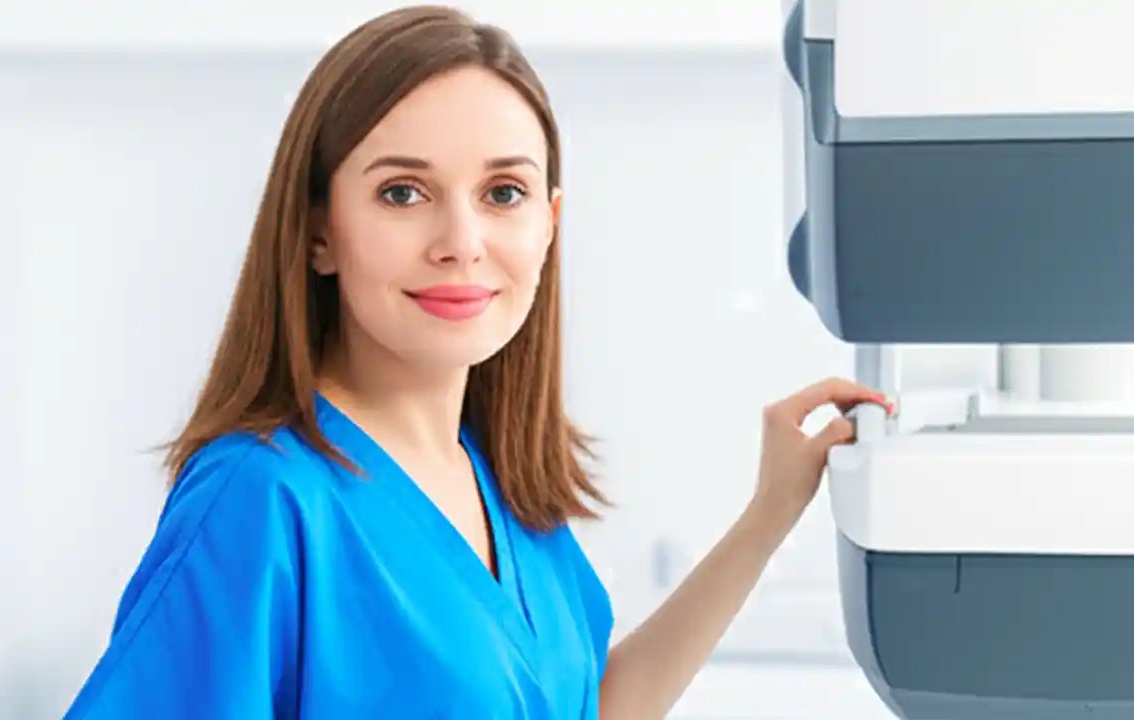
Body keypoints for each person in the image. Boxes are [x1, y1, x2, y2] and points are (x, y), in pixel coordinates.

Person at [63, 5, 892, 718]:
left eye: (503, 194)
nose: (461, 244)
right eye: (402, 193)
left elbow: (591, 708)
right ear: (318, 230)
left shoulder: (503, 487)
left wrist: (769, 515)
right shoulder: (262, 499)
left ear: (549, 222)